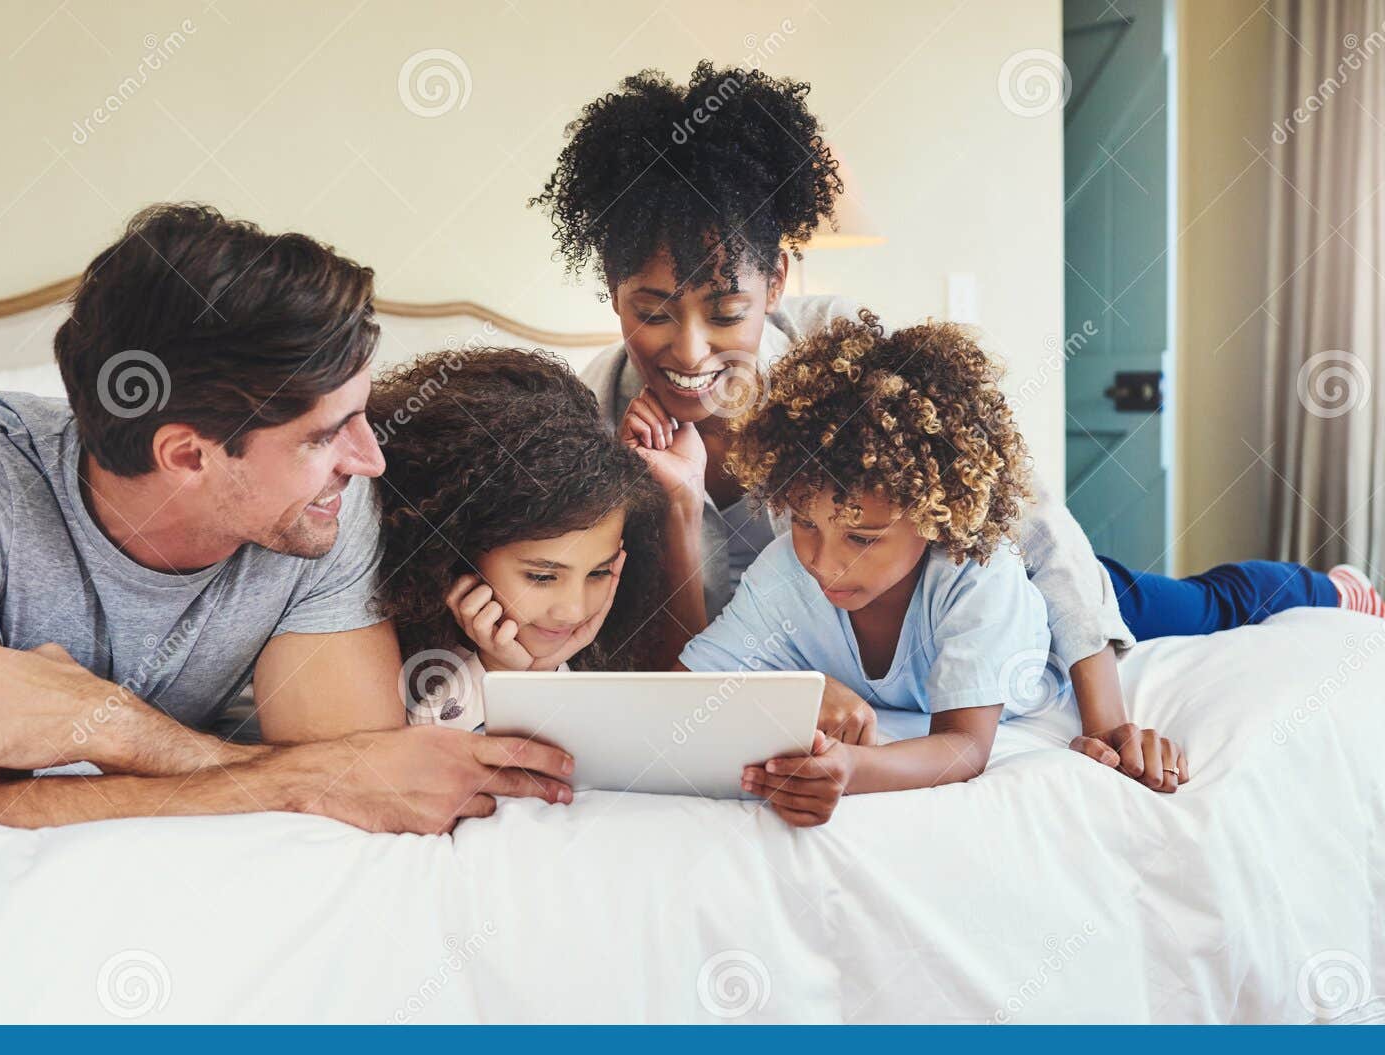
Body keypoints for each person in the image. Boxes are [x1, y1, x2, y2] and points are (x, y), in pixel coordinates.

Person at [532, 61, 1381, 793]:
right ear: (612, 293)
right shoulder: (588, 433)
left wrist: (1109, 718)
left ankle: (1323, 588)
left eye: (726, 311)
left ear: (779, 278)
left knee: (1198, 603)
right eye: (651, 311)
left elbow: (1030, 518)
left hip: (981, 593)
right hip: (857, 650)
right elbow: (671, 657)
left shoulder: (845, 356)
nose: (688, 350)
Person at [0, 203, 573, 831]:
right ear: (186, 454)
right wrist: (273, 773)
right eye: (323, 433)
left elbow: (350, 774)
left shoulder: (323, 508)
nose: (370, 458)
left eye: (361, 415)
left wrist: (108, 721)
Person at [681, 313, 1184, 825]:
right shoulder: (787, 571)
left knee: (1223, 601)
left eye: (862, 537)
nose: (823, 562)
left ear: (933, 518)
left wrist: (855, 769)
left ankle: (1271, 578)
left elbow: (964, 745)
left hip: (1082, 602)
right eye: (806, 523)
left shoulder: (977, 576)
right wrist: (794, 691)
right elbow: (689, 685)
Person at [369, 347, 666, 734]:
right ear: (457, 554)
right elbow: (414, 771)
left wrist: (536, 672)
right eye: (542, 577)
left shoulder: (600, 651)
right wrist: (501, 673)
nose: (573, 611)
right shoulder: (380, 636)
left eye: (598, 573)